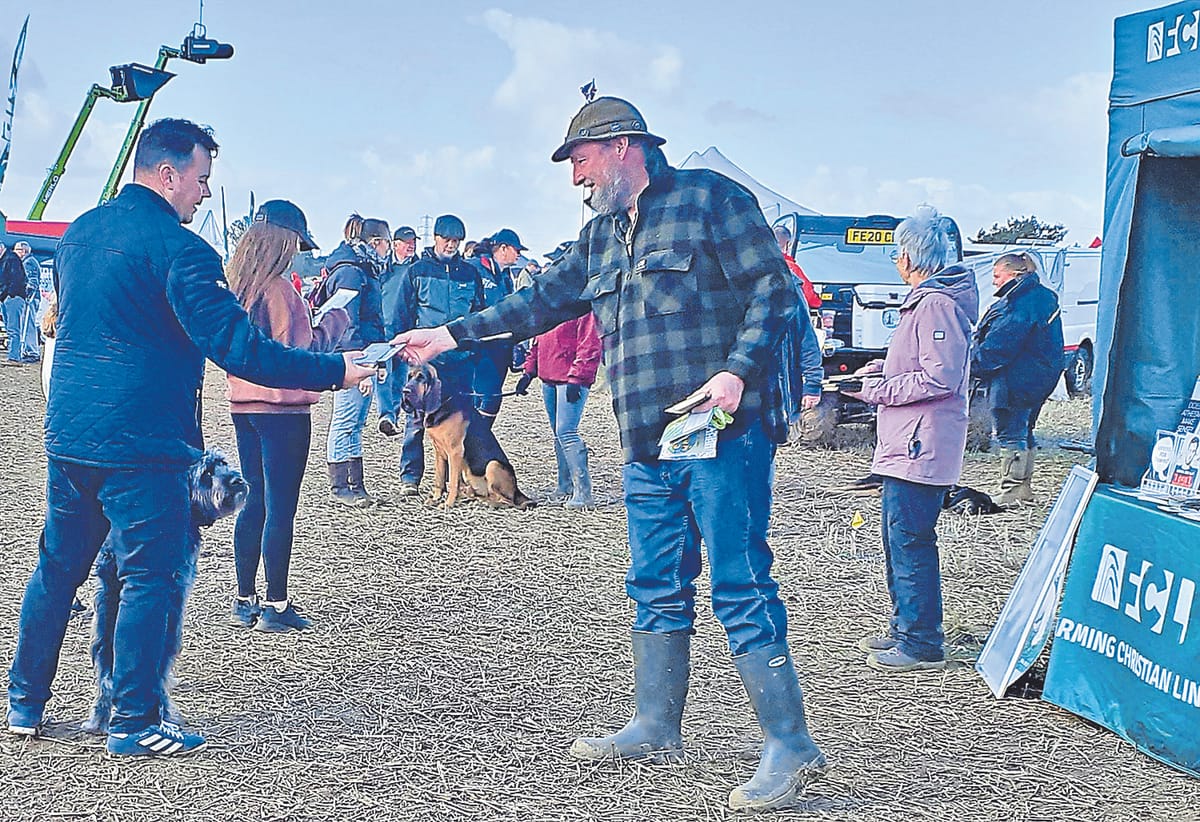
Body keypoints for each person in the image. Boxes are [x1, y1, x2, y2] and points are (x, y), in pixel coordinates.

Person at [394, 96, 825, 811]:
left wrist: (736, 371)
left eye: (582, 161)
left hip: (721, 432)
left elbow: (776, 293)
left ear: (625, 146)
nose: (575, 178)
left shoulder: (712, 200)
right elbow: (537, 303)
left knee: (739, 585)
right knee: (654, 582)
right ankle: (656, 725)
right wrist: (447, 337)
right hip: (647, 441)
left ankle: (790, 742)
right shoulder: (599, 235)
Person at [5, 118, 374, 757]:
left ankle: (24, 702)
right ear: (168, 174)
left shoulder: (80, 234)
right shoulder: (183, 252)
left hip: (70, 435)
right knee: (150, 576)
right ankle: (135, 721)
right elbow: (240, 348)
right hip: (146, 444)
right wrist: (335, 370)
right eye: (201, 179)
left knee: (58, 569)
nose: (205, 193)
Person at [841, 207, 977, 673]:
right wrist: (879, 369)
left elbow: (941, 377)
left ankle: (921, 642)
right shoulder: (926, 303)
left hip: (921, 444)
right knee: (897, 539)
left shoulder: (936, 304)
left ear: (908, 257)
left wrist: (876, 390)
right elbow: (918, 363)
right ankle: (906, 628)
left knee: (911, 541)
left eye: (897, 253)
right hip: (909, 444)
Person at [226, 200, 351, 633]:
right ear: (283, 242)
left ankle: (244, 599)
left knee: (253, 501)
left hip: (244, 405)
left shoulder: (240, 287)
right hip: (284, 409)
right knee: (282, 507)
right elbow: (303, 353)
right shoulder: (281, 290)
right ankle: (276, 605)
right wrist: (335, 320)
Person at [393, 214, 482, 496]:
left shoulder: (470, 274)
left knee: (461, 420)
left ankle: (464, 479)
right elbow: (402, 314)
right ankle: (410, 476)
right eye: (447, 239)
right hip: (426, 361)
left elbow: (479, 313)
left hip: (460, 359)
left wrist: (473, 348)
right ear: (435, 238)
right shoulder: (417, 271)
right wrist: (402, 350)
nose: (451, 245)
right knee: (417, 418)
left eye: (457, 241)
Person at [971, 252, 1064, 505]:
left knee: (1010, 430)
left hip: (1016, 379)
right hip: (1040, 377)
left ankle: (1012, 489)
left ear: (1013, 274)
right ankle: (1023, 487)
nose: (994, 281)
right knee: (1024, 429)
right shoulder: (1042, 297)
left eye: (997, 275)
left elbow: (999, 347)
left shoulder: (1018, 305)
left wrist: (968, 365)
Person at [516, 258, 602, 507]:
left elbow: (590, 345)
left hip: (570, 381)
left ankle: (583, 493)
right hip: (549, 378)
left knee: (567, 432)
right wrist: (528, 371)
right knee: (558, 433)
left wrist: (577, 378)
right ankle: (565, 486)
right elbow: (538, 341)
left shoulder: (583, 307)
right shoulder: (548, 307)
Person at [322, 214, 390, 506]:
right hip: (353, 358)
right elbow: (348, 324)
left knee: (356, 422)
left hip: (366, 356)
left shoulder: (363, 270)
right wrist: (360, 367)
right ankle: (341, 486)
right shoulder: (352, 272)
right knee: (345, 420)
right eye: (387, 243)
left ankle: (355, 484)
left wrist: (379, 361)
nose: (389, 249)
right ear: (376, 243)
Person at [470, 228, 525, 428]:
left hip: (500, 347)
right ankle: (474, 437)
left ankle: (478, 435)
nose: (519, 255)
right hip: (479, 345)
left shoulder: (506, 276)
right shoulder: (475, 268)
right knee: (484, 396)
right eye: (516, 250)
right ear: (503, 248)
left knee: (493, 398)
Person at [376, 225, 419, 438]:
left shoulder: (418, 268)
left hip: (406, 328)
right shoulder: (383, 267)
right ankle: (386, 414)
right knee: (384, 372)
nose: (411, 246)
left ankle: (392, 416)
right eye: (407, 242)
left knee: (400, 376)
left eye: (414, 242)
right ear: (395, 244)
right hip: (384, 326)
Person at [773, 225, 821, 310]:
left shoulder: (756, 266)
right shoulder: (791, 268)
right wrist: (818, 301)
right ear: (788, 244)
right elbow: (809, 297)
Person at [0, 242, 29, 365]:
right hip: (8, 297)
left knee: (13, 328)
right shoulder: (8, 258)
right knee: (10, 328)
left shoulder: (11, 258)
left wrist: (9, 294)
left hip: (13, 297)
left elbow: (16, 279)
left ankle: (14, 357)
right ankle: (13, 356)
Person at [13, 241, 42, 362]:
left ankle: (32, 352)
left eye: (16, 249)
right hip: (30, 298)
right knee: (27, 323)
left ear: (23, 251)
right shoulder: (27, 262)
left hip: (30, 299)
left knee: (29, 324)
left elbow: (32, 282)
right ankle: (28, 350)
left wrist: (26, 295)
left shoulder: (29, 262)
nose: (14, 252)